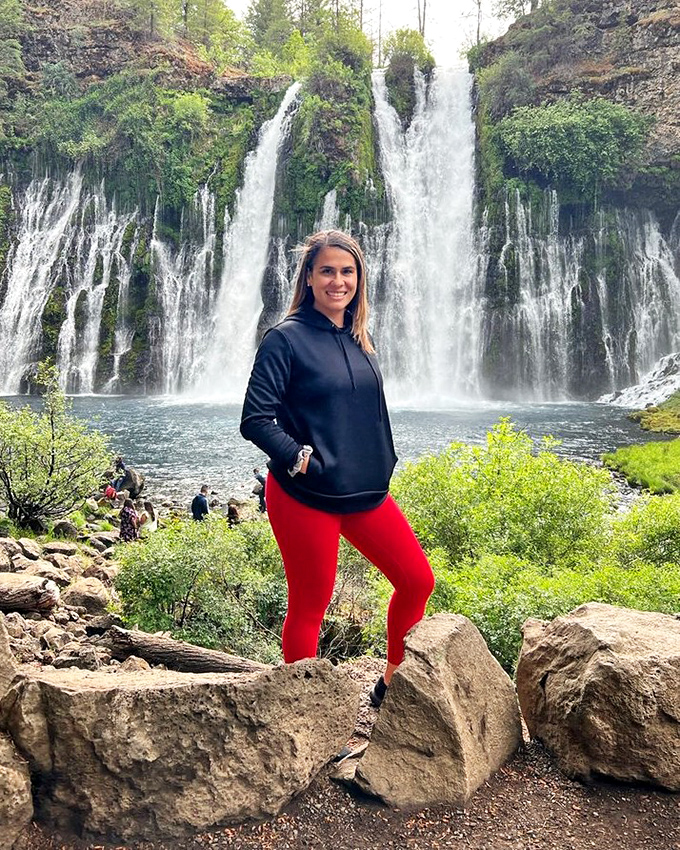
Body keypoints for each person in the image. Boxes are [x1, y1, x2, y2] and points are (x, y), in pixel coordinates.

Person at [240, 229, 435, 707]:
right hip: (305, 496)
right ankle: (304, 712)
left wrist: (384, 458)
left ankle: (391, 685)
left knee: (417, 580)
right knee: (311, 603)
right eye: (327, 270)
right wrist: (300, 459)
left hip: (363, 491)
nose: (338, 281)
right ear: (308, 277)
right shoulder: (284, 340)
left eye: (347, 272)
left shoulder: (359, 336)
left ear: (359, 279)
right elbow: (255, 419)